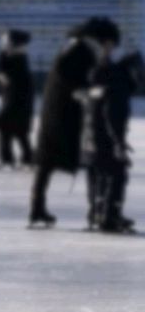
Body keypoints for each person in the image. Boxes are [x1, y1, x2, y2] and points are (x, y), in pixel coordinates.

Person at [30, 17, 121, 227]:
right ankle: (95, 209)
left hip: (58, 111)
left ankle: (38, 208)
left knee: (48, 162)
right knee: (78, 159)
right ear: (103, 38)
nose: (111, 48)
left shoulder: (78, 46)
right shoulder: (80, 48)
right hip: (62, 112)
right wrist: (84, 90)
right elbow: (66, 72)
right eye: (111, 43)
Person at [80, 50, 143, 233]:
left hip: (89, 140)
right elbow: (112, 116)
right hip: (103, 140)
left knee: (99, 175)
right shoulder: (118, 85)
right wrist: (118, 143)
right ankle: (109, 217)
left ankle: (97, 214)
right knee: (118, 173)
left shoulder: (101, 81)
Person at [0, 29, 34, 169]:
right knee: (15, 130)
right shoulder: (10, 56)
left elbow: (5, 77)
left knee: (10, 128)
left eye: (6, 40)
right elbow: (2, 77)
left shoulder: (17, 58)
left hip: (17, 99)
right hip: (12, 98)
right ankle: (21, 159)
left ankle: (15, 159)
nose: (3, 43)